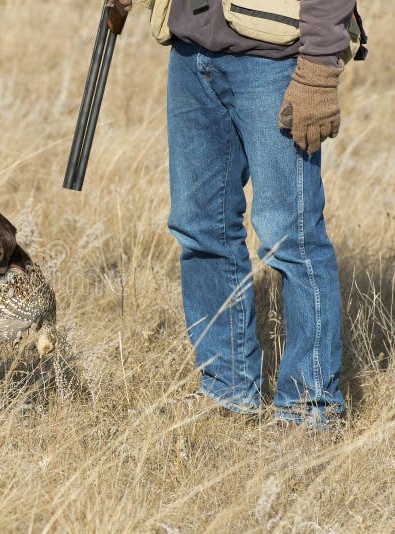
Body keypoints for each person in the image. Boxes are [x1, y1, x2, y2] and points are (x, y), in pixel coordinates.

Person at [108, 0, 357, 428]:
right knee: (199, 228)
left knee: (290, 236)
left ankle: (309, 406)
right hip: (191, 49)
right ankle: (227, 391)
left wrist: (318, 63)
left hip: (273, 59)